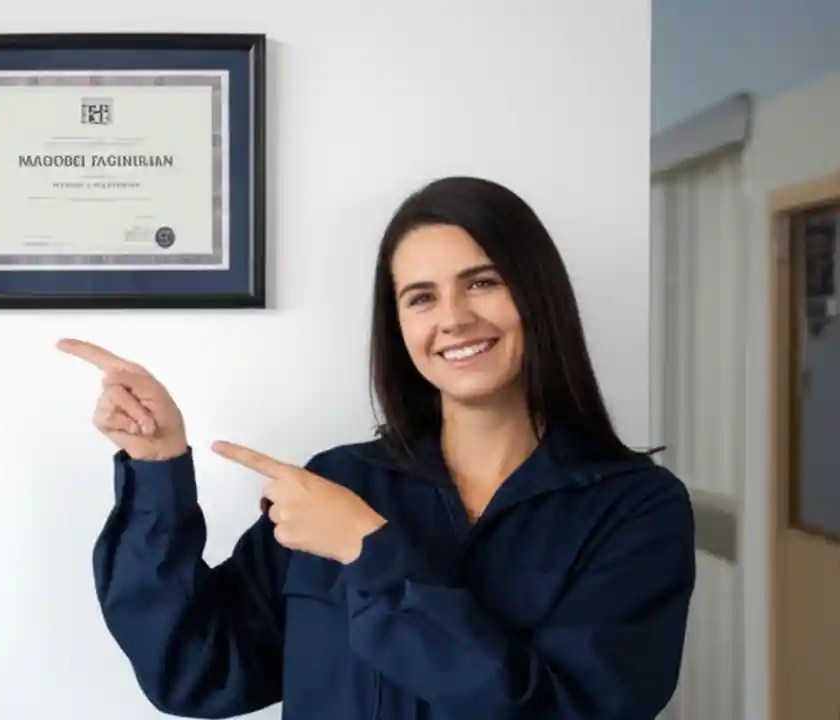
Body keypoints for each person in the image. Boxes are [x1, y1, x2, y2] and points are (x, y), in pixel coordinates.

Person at [58, 176, 695, 719]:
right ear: (399, 327)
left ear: (538, 295)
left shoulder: (636, 509)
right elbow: (196, 669)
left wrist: (369, 552)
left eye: (482, 283)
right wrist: (156, 468)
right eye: (421, 298)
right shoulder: (336, 484)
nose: (453, 318)